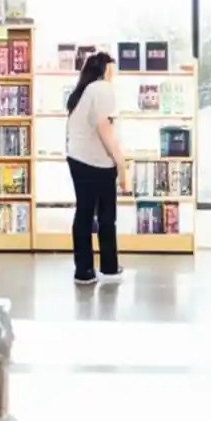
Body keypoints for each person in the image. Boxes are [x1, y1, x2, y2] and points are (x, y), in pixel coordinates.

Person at [64, 52, 129, 284]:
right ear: (106, 68)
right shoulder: (102, 88)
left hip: (79, 159)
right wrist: (121, 162)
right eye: (113, 66)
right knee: (106, 216)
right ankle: (109, 267)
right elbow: (104, 128)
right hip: (96, 163)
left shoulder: (86, 90)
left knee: (84, 213)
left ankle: (84, 270)